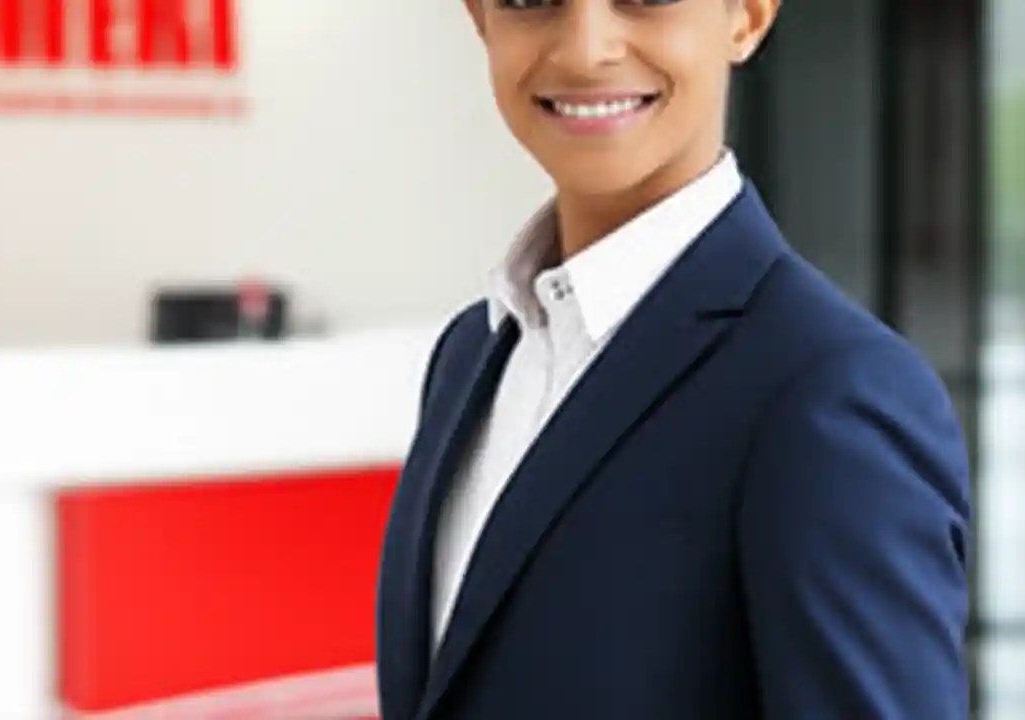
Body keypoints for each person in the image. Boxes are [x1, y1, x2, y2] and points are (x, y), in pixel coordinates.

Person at [376, 0, 970, 717]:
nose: (584, 49)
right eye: (531, 0)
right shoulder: (472, 353)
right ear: (479, 17)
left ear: (747, 16)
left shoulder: (828, 391)